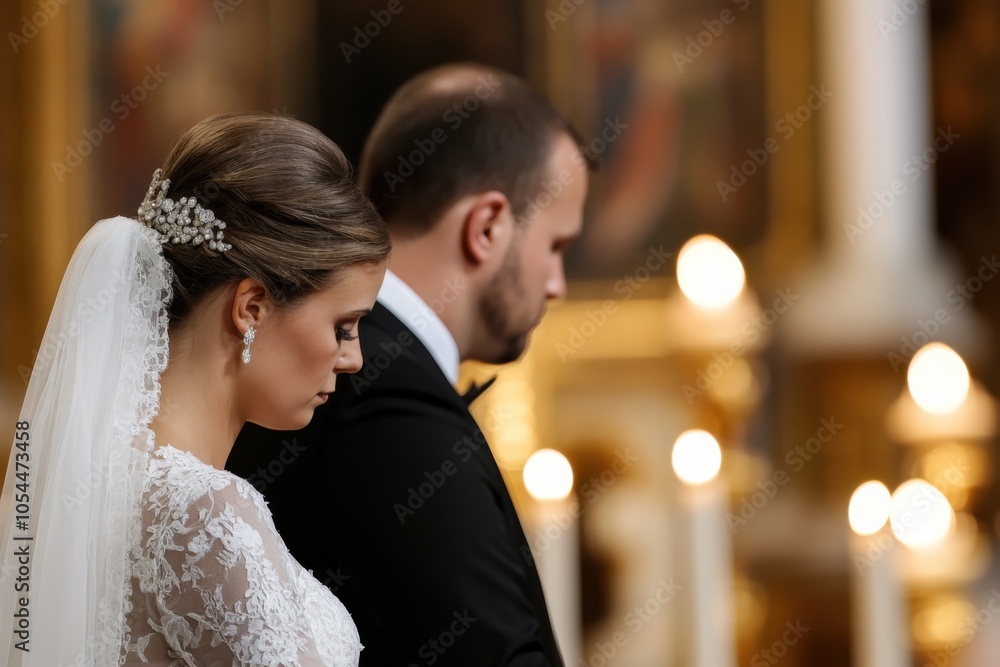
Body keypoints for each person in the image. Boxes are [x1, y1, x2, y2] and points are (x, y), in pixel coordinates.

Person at [228, 64, 590, 665]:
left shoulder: (349, 368)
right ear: (488, 225)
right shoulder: (387, 398)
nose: (558, 285)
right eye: (556, 246)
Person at [0, 112, 391, 666]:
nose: (353, 358)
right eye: (343, 326)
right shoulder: (204, 511)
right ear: (251, 307)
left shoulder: (97, 482)